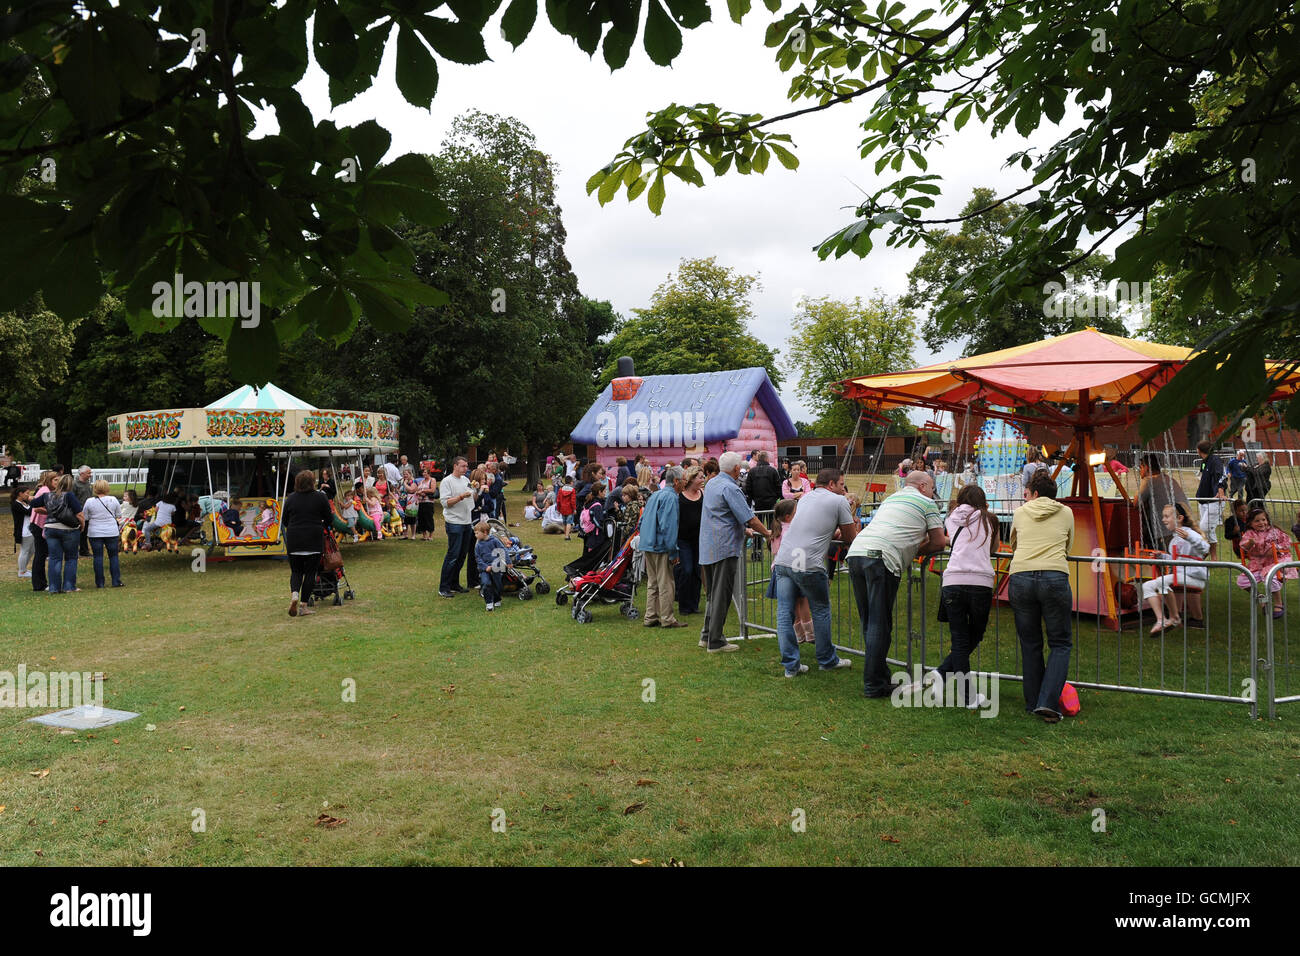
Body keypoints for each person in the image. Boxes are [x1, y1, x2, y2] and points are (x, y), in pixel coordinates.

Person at [847, 470, 947, 697]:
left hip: (857, 553)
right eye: (932, 487)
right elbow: (939, 542)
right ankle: (874, 684)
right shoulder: (927, 502)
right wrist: (915, 552)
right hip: (882, 559)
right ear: (923, 486)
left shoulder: (891, 499)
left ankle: (879, 675)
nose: (933, 491)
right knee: (879, 623)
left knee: (869, 621)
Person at [770, 467, 857, 677]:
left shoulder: (805, 499)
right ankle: (827, 659)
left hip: (784, 559)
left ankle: (791, 666)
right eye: (841, 484)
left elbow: (814, 527)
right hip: (807, 561)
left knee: (784, 613)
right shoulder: (839, 501)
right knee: (820, 609)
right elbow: (850, 537)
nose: (843, 489)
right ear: (831, 484)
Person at [1007, 472, 1076, 722]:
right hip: (1054, 575)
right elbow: (1068, 545)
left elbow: (1013, 543)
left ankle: (1033, 701)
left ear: (1034, 493)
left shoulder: (1021, 512)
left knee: (1030, 643)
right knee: (1060, 643)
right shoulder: (1066, 512)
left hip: (1021, 575)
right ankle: (1047, 702)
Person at [925, 484, 1000, 706]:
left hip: (953, 581)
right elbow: (993, 549)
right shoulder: (990, 520)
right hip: (980, 581)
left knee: (959, 638)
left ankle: (944, 673)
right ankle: (966, 694)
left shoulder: (951, 518)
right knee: (975, 634)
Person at [698, 453, 772, 653]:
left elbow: (722, 514)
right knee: (722, 595)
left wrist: (744, 530)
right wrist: (766, 533)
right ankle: (716, 641)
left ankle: (707, 636)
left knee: (713, 594)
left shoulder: (711, 484)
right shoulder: (730, 488)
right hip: (724, 548)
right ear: (737, 469)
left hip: (708, 546)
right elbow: (750, 518)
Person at [1142, 503, 1209, 633]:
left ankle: (1175, 617)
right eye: (1163, 516)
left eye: (1167, 516)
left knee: (1163, 582)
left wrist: (1190, 538)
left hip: (1194, 577)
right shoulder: (1174, 540)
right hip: (1181, 576)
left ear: (1179, 518)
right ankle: (1161, 620)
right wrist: (1161, 557)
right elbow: (1175, 560)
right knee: (1147, 586)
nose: (1163, 519)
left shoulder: (1190, 533)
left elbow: (1205, 548)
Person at [639, 465, 686, 629]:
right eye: (684, 480)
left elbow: (642, 520)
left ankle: (650, 616)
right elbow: (669, 527)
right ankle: (667, 618)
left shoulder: (655, 495)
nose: (685, 483)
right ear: (677, 481)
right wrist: (673, 552)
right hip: (661, 546)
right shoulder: (671, 498)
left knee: (653, 582)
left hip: (648, 543)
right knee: (666, 583)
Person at [282, 469, 332, 617]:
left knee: (296, 571)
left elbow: (285, 520)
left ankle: (295, 594)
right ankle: (303, 605)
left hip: (294, 539)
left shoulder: (291, 498)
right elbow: (329, 519)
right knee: (310, 572)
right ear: (312, 482)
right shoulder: (320, 497)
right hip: (313, 538)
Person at [1237, 507, 1295, 620]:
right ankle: (1261, 598)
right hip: (1259, 564)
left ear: (1267, 520)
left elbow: (1287, 542)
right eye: (1257, 521)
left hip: (1277, 561)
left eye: (1263, 519)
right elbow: (1244, 547)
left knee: (1270, 578)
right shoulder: (1250, 534)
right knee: (1243, 581)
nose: (1261, 523)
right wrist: (1250, 543)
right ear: (1250, 523)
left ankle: (1279, 604)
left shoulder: (1274, 531)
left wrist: (1276, 549)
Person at [767, 498, 811, 641]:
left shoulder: (776, 530)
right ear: (788, 516)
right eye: (796, 512)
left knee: (791, 604)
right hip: (796, 567)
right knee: (803, 600)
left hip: (779, 569)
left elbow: (775, 551)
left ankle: (799, 634)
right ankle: (810, 634)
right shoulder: (793, 530)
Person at [1137, 454, 1191, 552]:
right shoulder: (1169, 479)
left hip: (1166, 531)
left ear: (1146, 467)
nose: (1139, 471)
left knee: (1168, 560)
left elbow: (1136, 502)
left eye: (1140, 468)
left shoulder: (1149, 481)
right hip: (1184, 526)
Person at [438, 457, 475, 598]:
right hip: (454, 522)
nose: (466, 469)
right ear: (455, 466)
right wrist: (460, 497)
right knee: (453, 555)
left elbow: (472, 499)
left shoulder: (466, 481)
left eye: (467, 466)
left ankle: (454, 583)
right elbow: (445, 503)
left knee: (461, 555)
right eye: (463, 466)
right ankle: (444, 587)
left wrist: (480, 491)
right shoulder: (447, 481)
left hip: (467, 522)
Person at [43, 473, 85, 594]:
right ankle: (69, 585)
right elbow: (79, 514)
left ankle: (54, 587)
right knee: (71, 558)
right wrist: (82, 525)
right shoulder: (69, 496)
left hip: (50, 528)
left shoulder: (48, 496)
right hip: (68, 529)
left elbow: (34, 504)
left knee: (54, 558)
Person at [674, 466, 704, 616]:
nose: (703, 480)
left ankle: (694, 604)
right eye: (700, 477)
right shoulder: (680, 496)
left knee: (697, 571)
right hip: (683, 539)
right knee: (686, 570)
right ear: (692, 479)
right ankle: (683, 604)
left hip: (699, 539)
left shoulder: (702, 494)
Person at [83, 478, 124, 589]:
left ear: (95, 489)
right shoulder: (113, 499)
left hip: (95, 532)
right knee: (113, 556)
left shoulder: (89, 501)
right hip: (111, 531)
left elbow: (85, 517)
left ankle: (100, 582)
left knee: (98, 557)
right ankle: (116, 580)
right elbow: (118, 514)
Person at [1194, 440, 1228, 560]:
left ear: (1199, 450)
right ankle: (1213, 556)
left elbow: (1222, 476)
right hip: (1203, 499)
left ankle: (1206, 551)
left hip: (1215, 500)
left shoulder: (1215, 460)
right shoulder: (1204, 462)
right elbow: (1203, 475)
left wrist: (1221, 490)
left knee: (1204, 527)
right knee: (1210, 530)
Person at [474, 521, 508, 610]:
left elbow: (502, 550)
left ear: (485, 532)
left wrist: (508, 562)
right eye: (475, 533)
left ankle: (497, 599)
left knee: (497, 585)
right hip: (484, 569)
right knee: (486, 584)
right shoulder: (478, 546)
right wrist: (485, 567)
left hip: (496, 567)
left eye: (477, 533)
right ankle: (489, 603)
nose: (475, 535)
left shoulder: (495, 541)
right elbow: (478, 559)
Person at [73, 465, 94, 556]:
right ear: (82, 473)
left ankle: (84, 550)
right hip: (78, 512)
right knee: (78, 532)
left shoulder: (88, 484)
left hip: (88, 512)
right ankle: (76, 550)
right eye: (88, 473)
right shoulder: (75, 484)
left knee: (85, 532)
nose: (90, 475)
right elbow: (72, 498)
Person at [13, 485, 33, 577]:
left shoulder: (24, 502)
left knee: (32, 550)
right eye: (27, 493)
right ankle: (21, 571)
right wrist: (33, 502)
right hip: (24, 531)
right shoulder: (16, 504)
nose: (28, 495)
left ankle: (24, 569)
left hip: (30, 529)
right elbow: (29, 512)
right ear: (20, 494)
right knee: (24, 550)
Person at [556, 475, 578, 540]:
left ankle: (566, 534)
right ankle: (567, 536)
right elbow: (573, 501)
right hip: (569, 508)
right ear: (571, 482)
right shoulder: (572, 490)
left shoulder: (560, 489)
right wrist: (574, 509)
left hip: (562, 508)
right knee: (569, 522)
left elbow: (558, 500)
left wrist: (558, 508)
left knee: (564, 522)